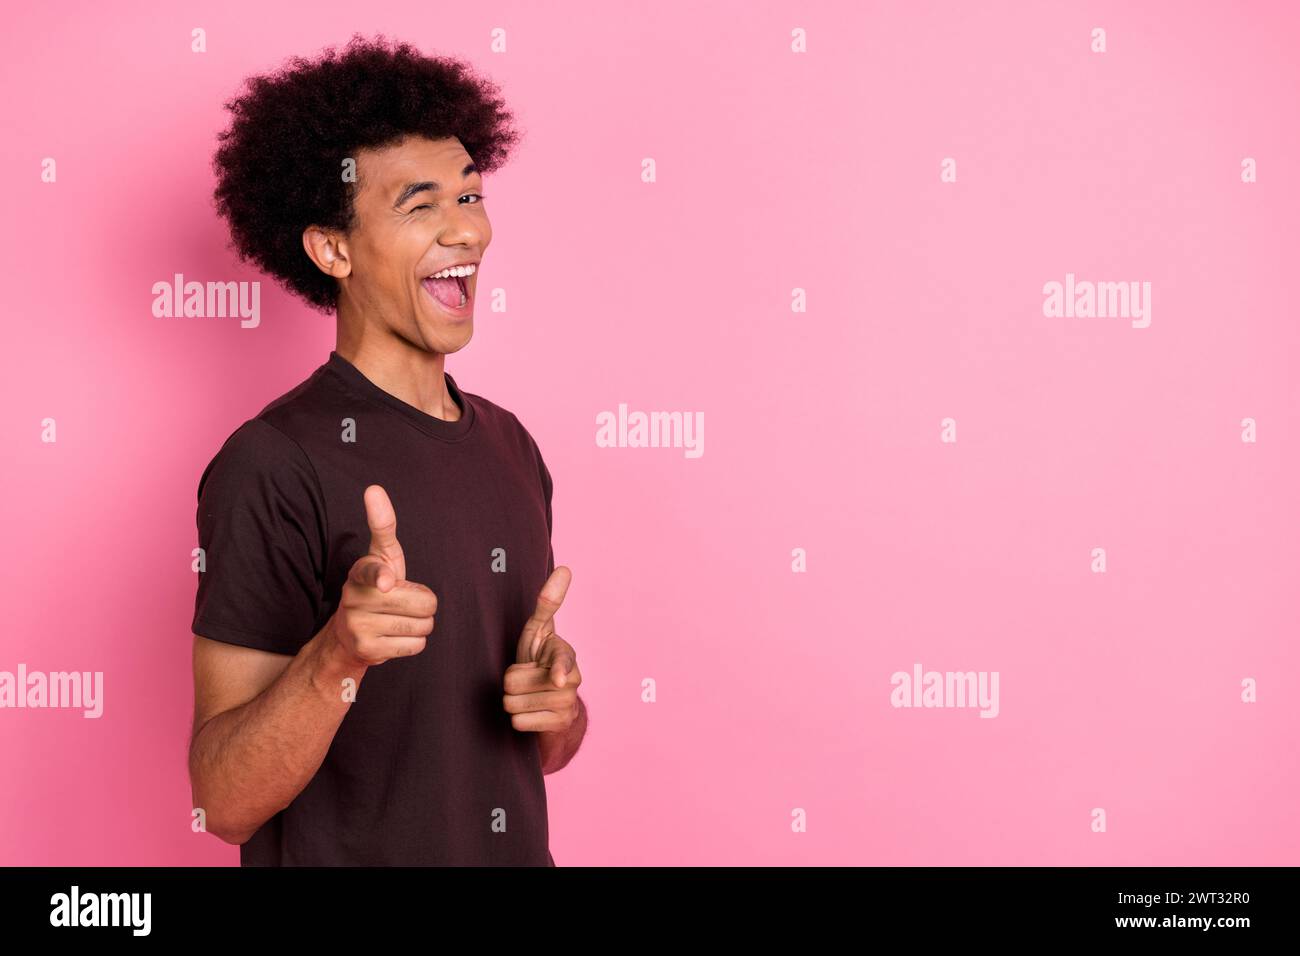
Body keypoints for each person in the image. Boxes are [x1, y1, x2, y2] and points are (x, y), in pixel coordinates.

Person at [187, 34, 586, 866]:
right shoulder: (272, 461)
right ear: (333, 250)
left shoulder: (511, 443)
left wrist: (558, 711)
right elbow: (223, 801)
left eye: (469, 197)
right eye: (419, 204)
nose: (463, 231)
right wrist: (339, 653)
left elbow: (534, 754)